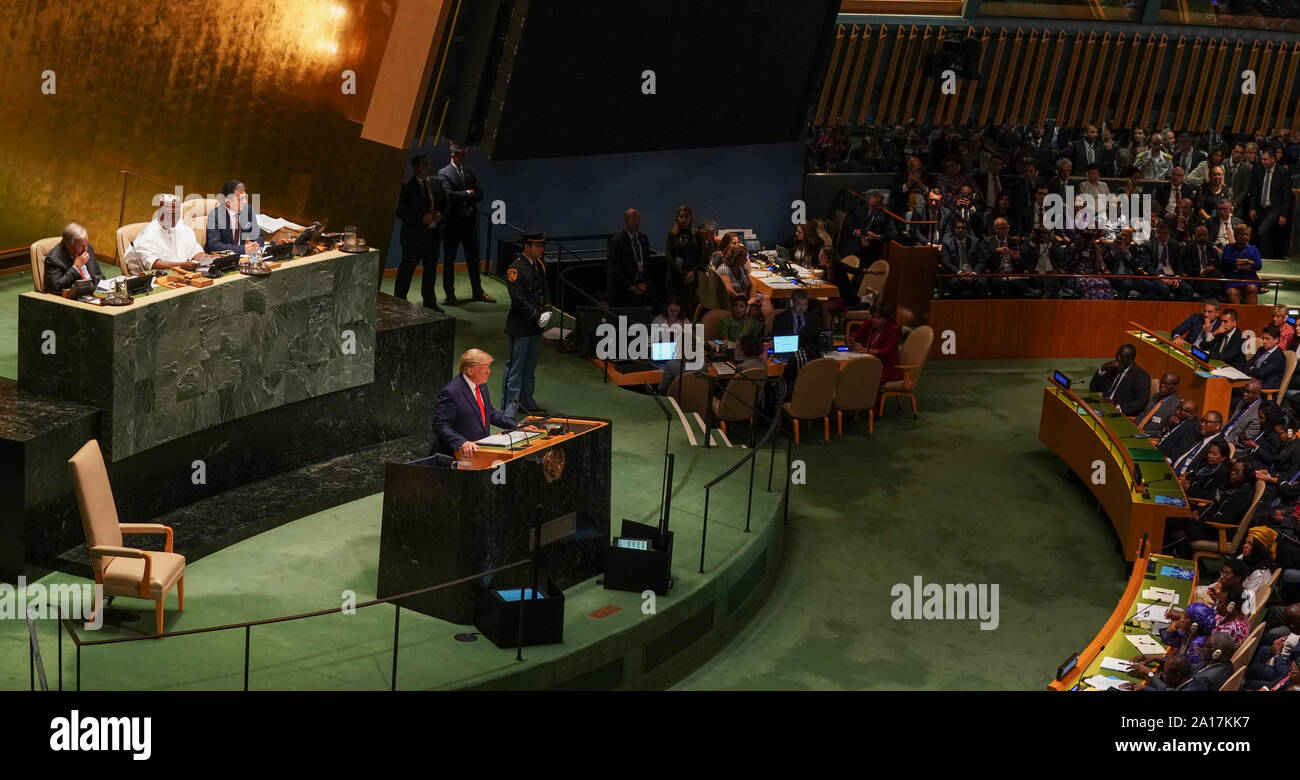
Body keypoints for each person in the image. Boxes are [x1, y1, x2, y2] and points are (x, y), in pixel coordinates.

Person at [431, 349, 520, 459]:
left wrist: (517, 426)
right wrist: (462, 443)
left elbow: (489, 413)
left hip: (479, 451)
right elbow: (440, 425)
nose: (489, 372)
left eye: (488, 367)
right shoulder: (451, 392)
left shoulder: (481, 385)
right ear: (470, 371)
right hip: (455, 456)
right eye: (484, 368)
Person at [437, 141, 494, 304]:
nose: (466, 157)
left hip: (469, 224)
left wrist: (465, 194)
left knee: (473, 259)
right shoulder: (444, 173)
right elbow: (449, 196)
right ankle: (450, 294)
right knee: (449, 260)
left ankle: (478, 292)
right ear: (453, 155)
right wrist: (469, 193)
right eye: (463, 154)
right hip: (452, 225)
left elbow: (480, 195)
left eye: (466, 154)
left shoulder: (470, 172)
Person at [502, 232, 551, 419]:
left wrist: (547, 310)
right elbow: (518, 299)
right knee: (515, 367)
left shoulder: (539, 266)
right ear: (527, 246)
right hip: (521, 325)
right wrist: (537, 315)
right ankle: (509, 408)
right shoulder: (515, 269)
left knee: (529, 367)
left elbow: (544, 290)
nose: (541, 249)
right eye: (538, 246)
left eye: (542, 246)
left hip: (535, 327)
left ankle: (527, 402)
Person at [394, 154, 446, 311]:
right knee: (407, 270)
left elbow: (445, 203)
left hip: (433, 236)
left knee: (431, 270)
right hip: (414, 237)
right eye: (424, 164)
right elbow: (401, 212)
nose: (428, 166)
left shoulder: (436, 184)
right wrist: (421, 219)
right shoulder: (407, 187)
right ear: (415, 167)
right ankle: (399, 301)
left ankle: (429, 301)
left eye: (429, 163)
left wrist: (440, 214)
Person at [123, 194, 203, 273]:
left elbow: (194, 250)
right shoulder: (149, 232)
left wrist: (205, 258)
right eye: (172, 217)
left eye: (177, 216)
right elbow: (153, 263)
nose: (175, 220)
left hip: (181, 274)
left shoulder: (181, 227)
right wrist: (182, 265)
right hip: (156, 277)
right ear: (161, 215)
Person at [1249, 145, 1292, 259]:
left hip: (1274, 209)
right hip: (1260, 208)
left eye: (1265, 159)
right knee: (1260, 235)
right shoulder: (1259, 170)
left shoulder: (1282, 172)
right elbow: (1255, 190)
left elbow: (1286, 196)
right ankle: (1264, 257)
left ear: (1273, 159)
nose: (1262, 161)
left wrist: (1283, 215)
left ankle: (1265, 258)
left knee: (1262, 232)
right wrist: (1252, 208)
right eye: (1262, 159)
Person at [607, 208, 655, 309]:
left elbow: (648, 264)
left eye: (638, 220)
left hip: (641, 291)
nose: (637, 223)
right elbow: (614, 269)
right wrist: (629, 286)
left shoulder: (643, 239)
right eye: (634, 220)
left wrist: (645, 284)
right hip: (623, 293)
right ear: (626, 222)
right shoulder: (616, 242)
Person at [205, 179, 265, 256]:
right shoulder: (215, 216)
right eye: (241, 199)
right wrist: (243, 249)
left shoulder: (248, 211)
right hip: (221, 258)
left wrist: (255, 245)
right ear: (228, 202)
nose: (245, 202)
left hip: (243, 256)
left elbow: (258, 235)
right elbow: (215, 245)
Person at [1088, 344, 1150, 416]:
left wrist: (1117, 407)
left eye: (1122, 357)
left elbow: (1140, 403)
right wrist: (1103, 369)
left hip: (1118, 414)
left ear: (1131, 359)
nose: (1118, 358)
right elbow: (1093, 387)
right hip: (1102, 406)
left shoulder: (1141, 376)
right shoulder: (1113, 368)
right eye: (1117, 355)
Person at [43, 222, 105, 293]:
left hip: (95, 294)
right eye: (81, 246)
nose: (85, 249)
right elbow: (55, 288)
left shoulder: (87, 248)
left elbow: (98, 275)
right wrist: (76, 267)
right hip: (73, 299)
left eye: (86, 244)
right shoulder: (53, 259)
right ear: (69, 245)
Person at [770, 290, 821, 374]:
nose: (802, 308)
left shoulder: (812, 318)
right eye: (799, 304)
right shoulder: (780, 318)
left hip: (807, 352)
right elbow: (776, 336)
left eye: (805, 305)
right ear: (792, 303)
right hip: (788, 351)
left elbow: (815, 338)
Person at [850, 302, 902, 383]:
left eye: (878, 318)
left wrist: (866, 350)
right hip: (869, 362)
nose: (874, 320)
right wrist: (851, 342)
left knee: (865, 376)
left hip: (886, 366)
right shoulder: (868, 324)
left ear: (886, 319)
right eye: (873, 316)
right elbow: (854, 337)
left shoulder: (892, 330)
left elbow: (886, 351)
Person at [664, 205, 702, 310]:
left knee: (688, 308)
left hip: (691, 277)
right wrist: (682, 273)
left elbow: (702, 257)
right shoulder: (672, 234)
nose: (684, 219)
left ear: (691, 218)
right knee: (673, 308)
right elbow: (668, 256)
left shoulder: (697, 235)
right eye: (681, 216)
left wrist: (692, 272)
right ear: (677, 218)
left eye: (686, 217)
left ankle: (688, 326)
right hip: (674, 276)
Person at [939, 218, 986, 298]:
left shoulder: (976, 242)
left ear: (967, 230)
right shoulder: (947, 243)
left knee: (982, 283)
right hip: (956, 275)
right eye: (958, 228)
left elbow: (981, 261)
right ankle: (957, 309)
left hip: (973, 275)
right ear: (954, 230)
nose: (961, 230)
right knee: (954, 283)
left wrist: (974, 274)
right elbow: (946, 262)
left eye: (964, 228)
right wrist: (960, 273)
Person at [1219, 224, 1262, 305]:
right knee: (1233, 292)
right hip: (1232, 279)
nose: (1245, 237)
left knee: (1252, 288)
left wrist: (1237, 264)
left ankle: (1251, 315)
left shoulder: (1254, 248)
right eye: (1242, 234)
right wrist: (1247, 261)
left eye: (1247, 235)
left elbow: (1258, 265)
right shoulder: (1229, 247)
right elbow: (1227, 261)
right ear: (1236, 235)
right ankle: (1237, 317)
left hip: (1249, 279)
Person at [1223, 377, 1263, 446]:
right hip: (1223, 436)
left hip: (1232, 445)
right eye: (1244, 391)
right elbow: (1231, 423)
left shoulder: (1258, 414)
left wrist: (1222, 441)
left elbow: (1243, 441)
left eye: (1248, 392)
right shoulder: (1243, 402)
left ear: (1258, 394)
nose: (1244, 394)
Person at [1244, 325, 1286, 390]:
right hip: (1252, 385)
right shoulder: (1261, 349)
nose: (1263, 342)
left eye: (1267, 339)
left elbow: (1261, 373)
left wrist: (1252, 368)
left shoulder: (1279, 357)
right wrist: (1254, 370)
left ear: (1276, 340)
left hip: (1265, 391)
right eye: (1263, 338)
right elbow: (1246, 366)